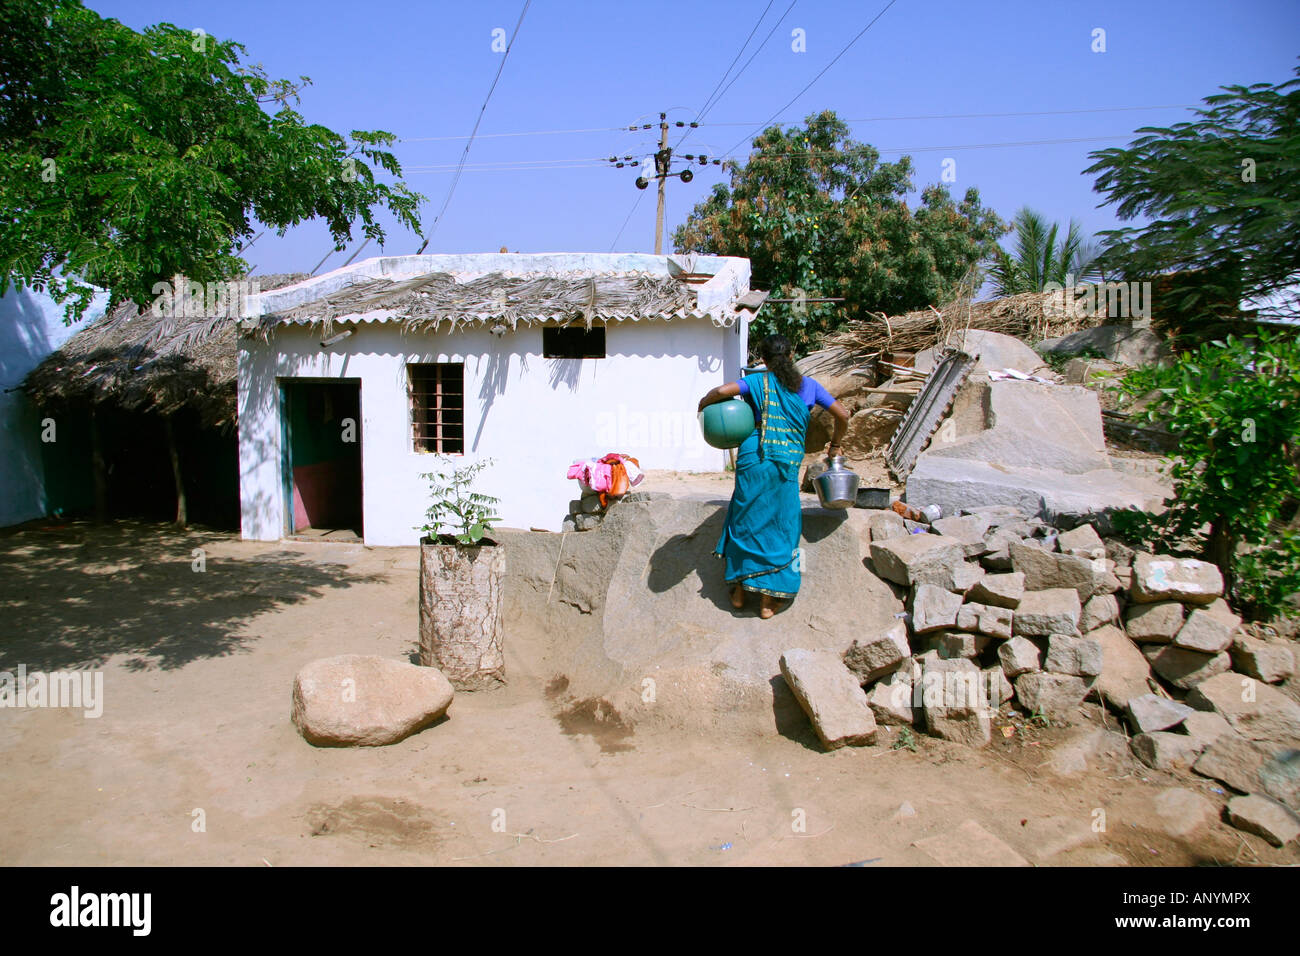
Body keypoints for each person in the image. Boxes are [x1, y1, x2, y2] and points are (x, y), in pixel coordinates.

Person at [697, 334, 850, 619]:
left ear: (763, 361)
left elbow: (720, 391)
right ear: (791, 357)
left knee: (744, 520)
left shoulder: (756, 382)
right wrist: (836, 445)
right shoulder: (809, 386)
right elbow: (842, 414)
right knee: (783, 524)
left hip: (752, 457)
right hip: (786, 462)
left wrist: (703, 404)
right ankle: (769, 600)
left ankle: (741, 592)